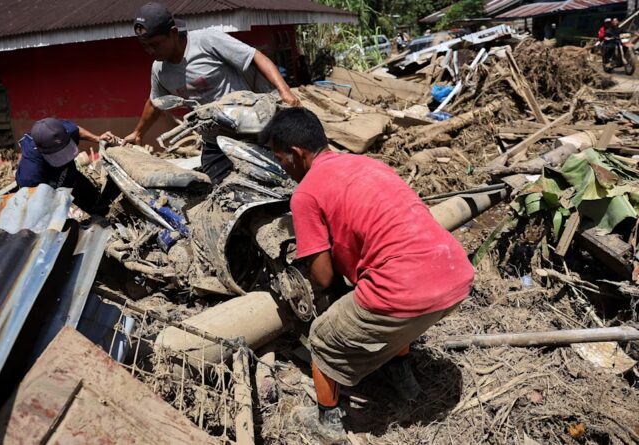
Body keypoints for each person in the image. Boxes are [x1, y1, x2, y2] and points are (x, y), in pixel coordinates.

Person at [261, 108, 474, 441]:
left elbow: (324, 277)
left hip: (404, 292)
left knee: (322, 337)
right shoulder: (369, 164)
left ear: (297, 154)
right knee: (395, 317)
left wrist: (312, 273)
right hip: (455, 275)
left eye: (281, 160)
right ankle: (403, 379)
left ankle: (327, 420)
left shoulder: (306, 194)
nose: (282, 168)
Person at [125, 2, 301, 183]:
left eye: (155, 45)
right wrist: (138, 133)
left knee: (279, 177)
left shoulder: (206, 41)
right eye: (145, 46)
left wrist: (284, 91)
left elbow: (255, 56)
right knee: (222, 188)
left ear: (173, 33)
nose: (150, 51)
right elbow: (155, 103)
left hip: (250, 126)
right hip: (214, 138)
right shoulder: (159, 70)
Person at [15, 118, 112, 215]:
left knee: (98, 206)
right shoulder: (30, 175)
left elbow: (76, 130)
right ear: (42, 151)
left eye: (64, 150)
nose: (64, 157)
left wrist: (97, 138)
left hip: (70, 176)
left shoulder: (63, 132)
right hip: (46, 190)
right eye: (58, 155)